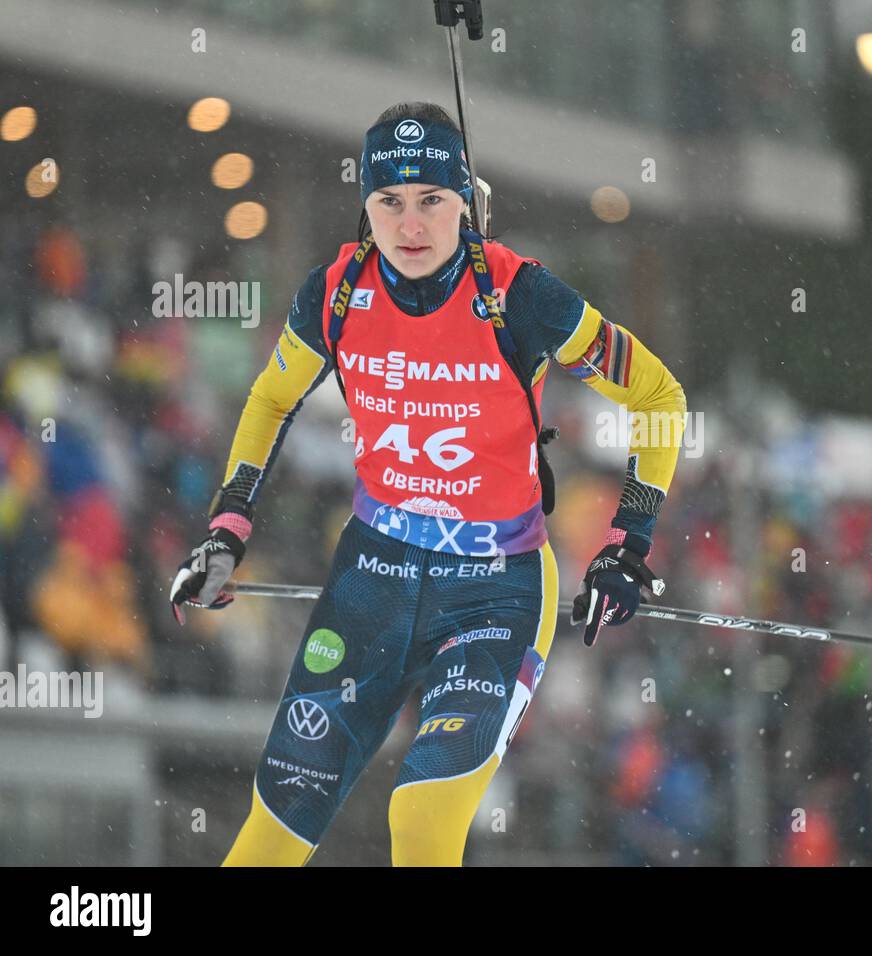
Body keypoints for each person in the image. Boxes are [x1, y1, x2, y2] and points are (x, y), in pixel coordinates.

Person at [169, 101, 688, 866]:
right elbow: (273, 396)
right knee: (275, 827)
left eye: (432, 201)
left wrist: (627, 543)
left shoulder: (522, 295)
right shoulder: (337, 293)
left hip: (496, 588)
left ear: (466, 203)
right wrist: (227, 527)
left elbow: (657, 395)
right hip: (373, 578)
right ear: (366, 206)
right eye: (389, 202)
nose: (410, 225)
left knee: (421, 823)